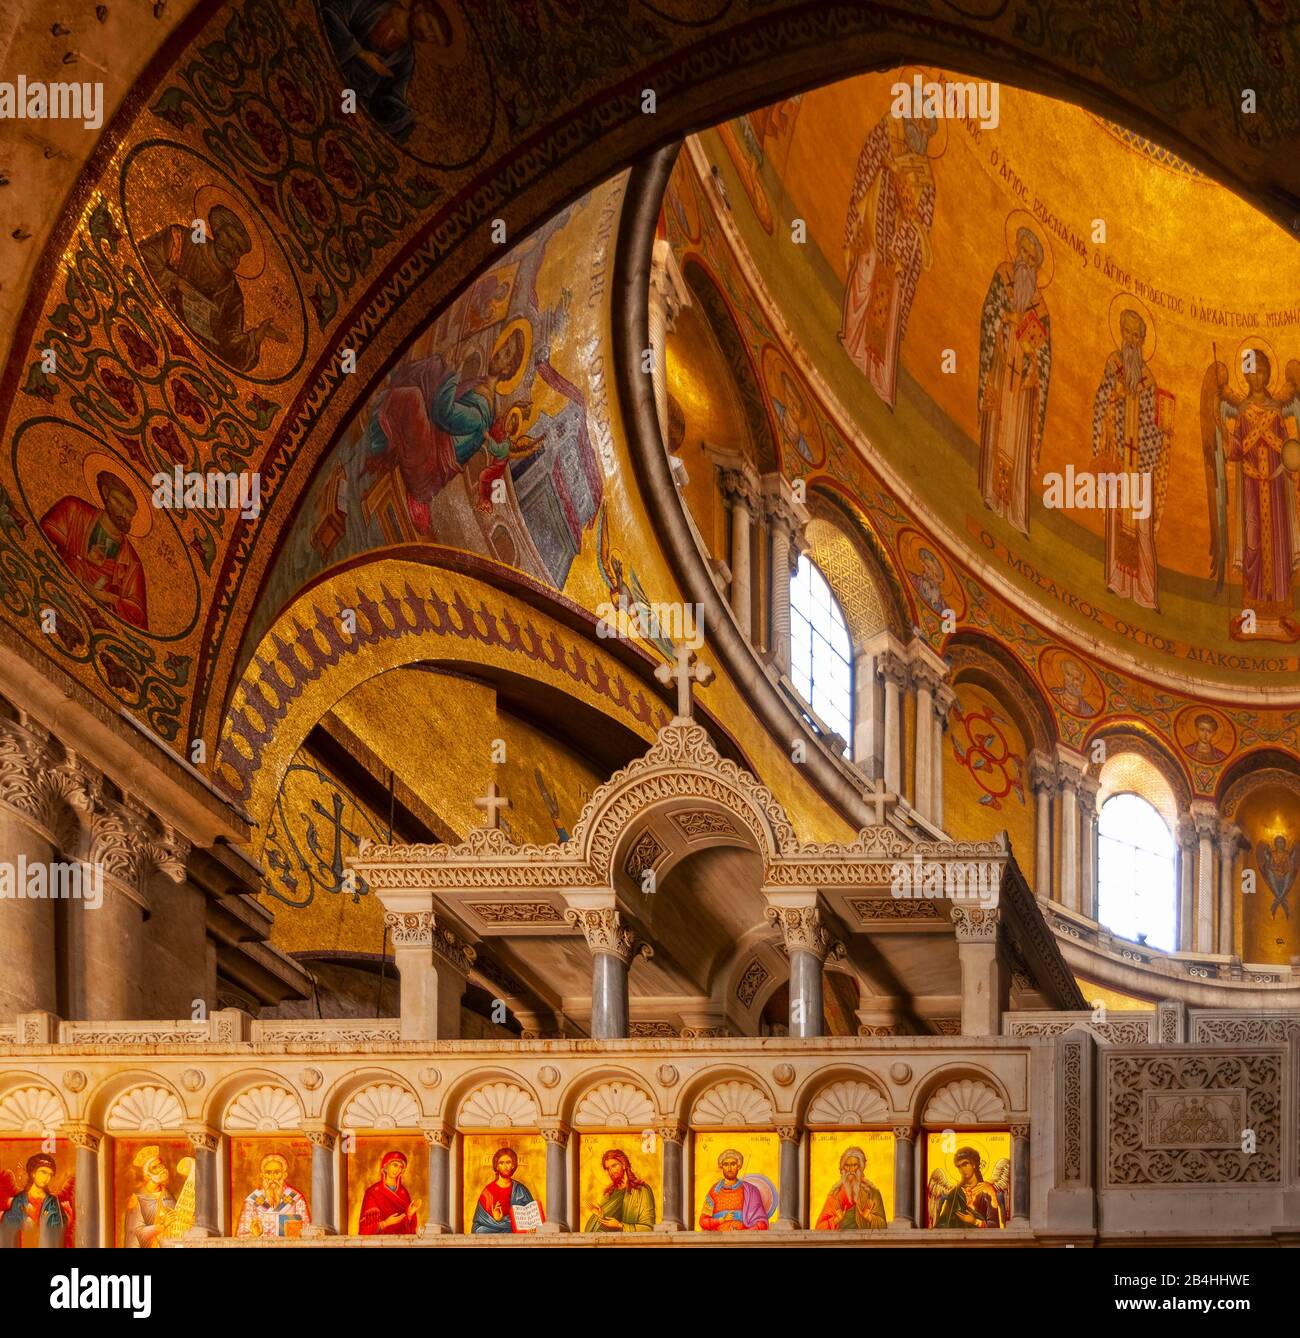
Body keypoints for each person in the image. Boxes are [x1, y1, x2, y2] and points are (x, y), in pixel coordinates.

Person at [1091, 308, 1173, 609]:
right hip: (1119, 456)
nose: (1133, 340)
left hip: (1140, 464)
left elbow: (1155, 422)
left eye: (1138, 336)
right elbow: (1101, 402)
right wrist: (1113, 402)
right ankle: (1115, 580)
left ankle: (1147, 593)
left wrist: (1163, 432)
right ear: (1121, 333)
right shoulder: (1113, 365)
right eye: (1128, 333)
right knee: (1116, 520)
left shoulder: (1149, 379)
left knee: (1142, 528)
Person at [139, 204, 286, 371]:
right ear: (218, 232)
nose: (233, 252)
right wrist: (175, 281)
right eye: (231, 241)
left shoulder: (231, 290)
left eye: (238, 250)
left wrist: (257, 336)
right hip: (148, 318)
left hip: (188, 358)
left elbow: (228, 343)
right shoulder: (184, 239)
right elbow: (144, 255)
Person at [978, 226, 1053, 535]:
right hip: (999, 365)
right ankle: (989, 492)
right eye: (1023, 252)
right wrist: (1005, 321)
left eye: (1031, 259)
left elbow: (1045, 357)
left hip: (1021, 387)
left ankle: (1013, 509)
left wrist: (1033, 358)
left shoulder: (1040, 306)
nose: (1025, 261)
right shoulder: (1004, 275)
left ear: (1036, 269)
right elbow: (989, 311)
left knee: (1015, 440)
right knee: (995, 425)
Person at [40, 471, 149, 629]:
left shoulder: (133, 562)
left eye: (130, 512)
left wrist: (106, 597)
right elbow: (46, 528)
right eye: (119, 503)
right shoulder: (75, 508)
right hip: (58, 590)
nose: (124, 514)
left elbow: (137, 612)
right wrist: (83, 555)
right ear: (105, 493)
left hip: (97, 615)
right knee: (74, 565)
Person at [0, 1153, 68, 1248]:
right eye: (43, 1172)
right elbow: (9, 1226)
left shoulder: (52, 1202)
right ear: (33, 1173)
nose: (46, 1178)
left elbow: (58, 1230)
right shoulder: (20, 1200)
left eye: (50, 1174)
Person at [235, 1152, 310, 1237]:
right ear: (262, 1175)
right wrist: (254, 1235)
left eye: (277, 1172)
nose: (272, 1178)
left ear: (284, 1175)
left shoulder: (296, 1200)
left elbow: (307, 1232)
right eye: (268, 1173)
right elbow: (241, 1235)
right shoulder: (252, 1202)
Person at [470, 1146, 543, 1233]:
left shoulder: (521, 1190)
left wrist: (531, 1226)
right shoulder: (488, 1192)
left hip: (516, 1231)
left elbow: (533, 1220)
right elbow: (477, 1225)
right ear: (496, 1166)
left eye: (508, 1162)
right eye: (501, 1163)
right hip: (491, 1229)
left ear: (513, 1165)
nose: (505, 1166)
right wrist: (496, 1219)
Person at [814, 1145, 887, 1230]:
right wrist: (837, 1219)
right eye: (847, 1166)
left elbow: (883, 1225)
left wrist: (868, 1217)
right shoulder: (835, 1196)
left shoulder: (872, 1194)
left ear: (861, 1167)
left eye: (854, 1165)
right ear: (842, 1169)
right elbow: (819, 1227)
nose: (851, 1170)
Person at [583, 1148, 655, 1232]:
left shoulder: (642, 1191)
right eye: (608, 1168)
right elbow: (608, 1226)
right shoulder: (608, 1194)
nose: (611, 1171)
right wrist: (600, 1215)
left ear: (624, 1165)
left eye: (614, 1165)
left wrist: (620, 1226)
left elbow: (648, 1228)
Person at [698, 1149, 771, 1231]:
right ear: (721, 1166)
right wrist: (721, 1220)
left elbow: (762, 1224)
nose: (729, 1168)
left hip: (743, 1240)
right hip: (718, 1239)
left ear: (738, 1166)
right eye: (726, 1164)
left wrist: (744, 1233)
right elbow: (703, 1221)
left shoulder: (751, 1191)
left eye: (733, 1164)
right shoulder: (714, 1191)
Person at [933, 1147, 1005, 1228]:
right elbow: (943, 1223)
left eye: (965, 1164)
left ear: (974, 1164)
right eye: (959, 1167)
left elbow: (994, 1226)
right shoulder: (955, 1194)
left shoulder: (987, 1191)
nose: (962, 1170)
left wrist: (975, 1221)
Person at [123, 1146, 175, 1247]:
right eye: (155, 1168)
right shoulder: (137, 1199)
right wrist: (162, 1225)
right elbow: (136, 1233)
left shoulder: (168, 1195)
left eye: (161, 1165)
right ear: (147, 1173)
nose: (161, 1169)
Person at [358, 1149, 419, 1235]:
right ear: (386, 1166)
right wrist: (385, 1223)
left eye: (400, 1167)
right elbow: (364, 1230)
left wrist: (409, 1215)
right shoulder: (372, 1193)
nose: (398, 1169)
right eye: (395, 1165)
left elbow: (409, 1230)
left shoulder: (403, 1193)